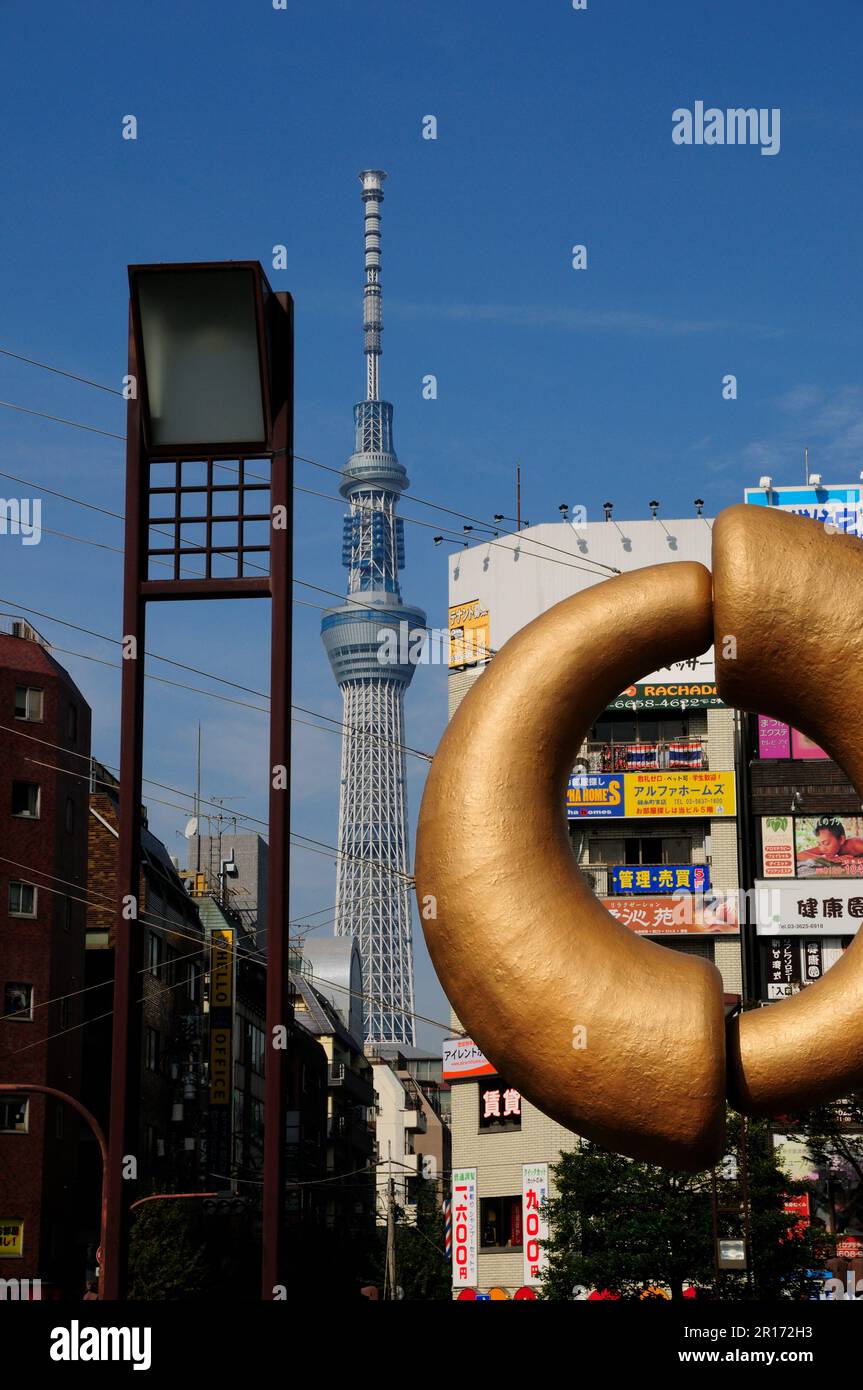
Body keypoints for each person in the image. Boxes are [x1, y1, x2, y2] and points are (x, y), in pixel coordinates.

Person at [797, 818, 863, 863]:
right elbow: (799, 855)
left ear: (841, 840)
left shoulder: (855, 844)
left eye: (826, 843)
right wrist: (825, 859)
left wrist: (852, 860)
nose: (822, 849)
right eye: (819, 844)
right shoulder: (824, 847)